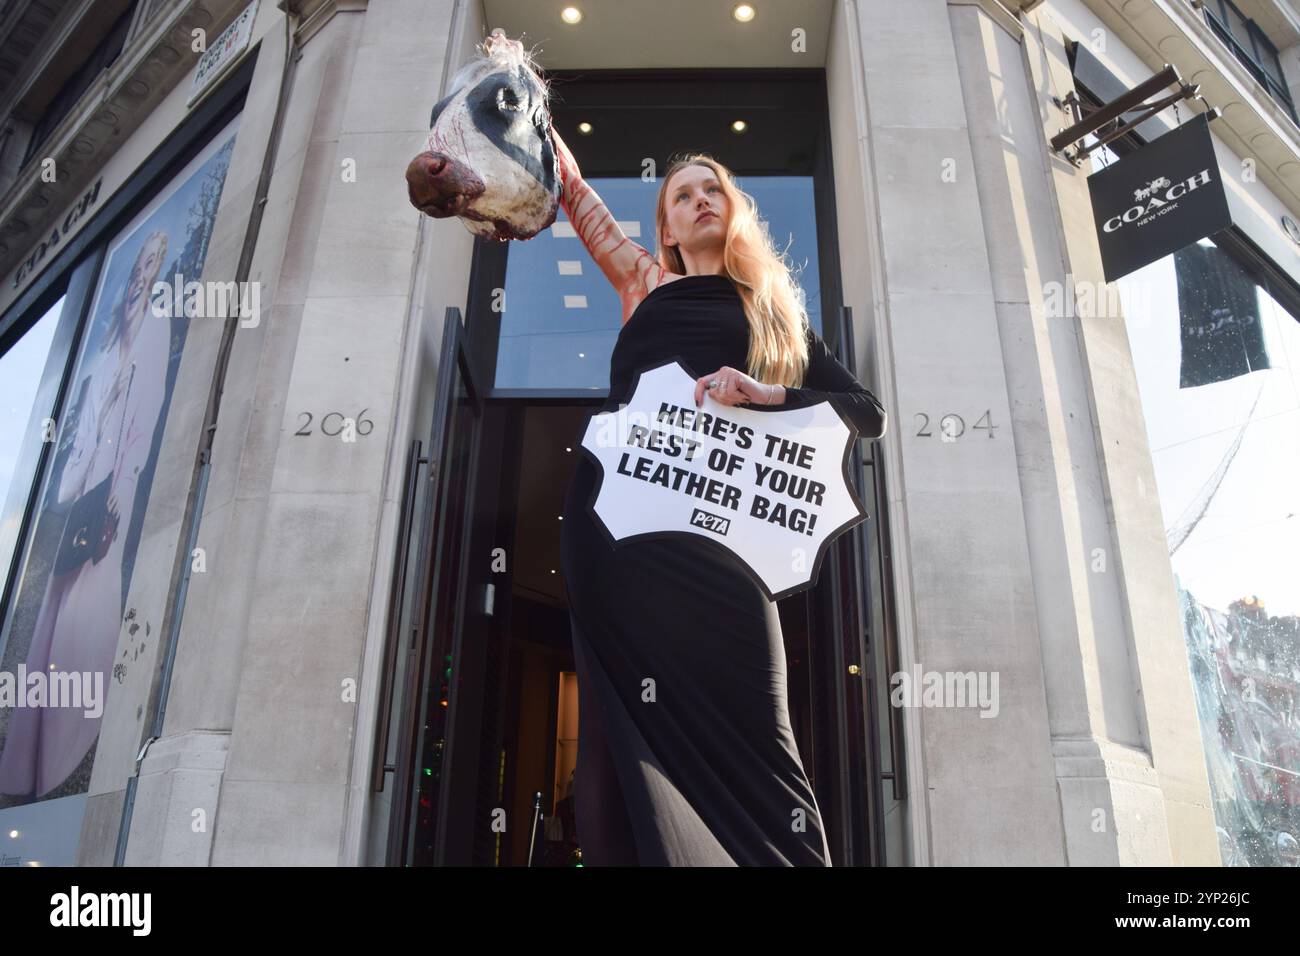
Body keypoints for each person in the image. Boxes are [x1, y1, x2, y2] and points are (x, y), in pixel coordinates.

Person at [553, 128, 888, 866]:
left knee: (764, 742)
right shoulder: (645, 283)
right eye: (682, 195)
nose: (700, 200)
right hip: (624, 542)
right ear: (665, 231)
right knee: (618, 753)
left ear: (731, 210)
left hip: (727, 551)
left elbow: (867, 412)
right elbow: (575, 195)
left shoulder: (775, 312)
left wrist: (767, 392)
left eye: (712, 190)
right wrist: (521, 92)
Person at [0, 230, 172, 797]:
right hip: (83, 494)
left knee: (85, 620)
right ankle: (30, 764)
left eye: (152, 263)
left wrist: (124, 480)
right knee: (52, 624)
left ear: (157, 272)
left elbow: (143, 419)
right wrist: (66, 490)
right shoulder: (99, 355)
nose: (142, 273)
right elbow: (77, 446)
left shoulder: (154, 332)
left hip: (112, 498)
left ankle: (72, 750)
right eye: (139, 263)